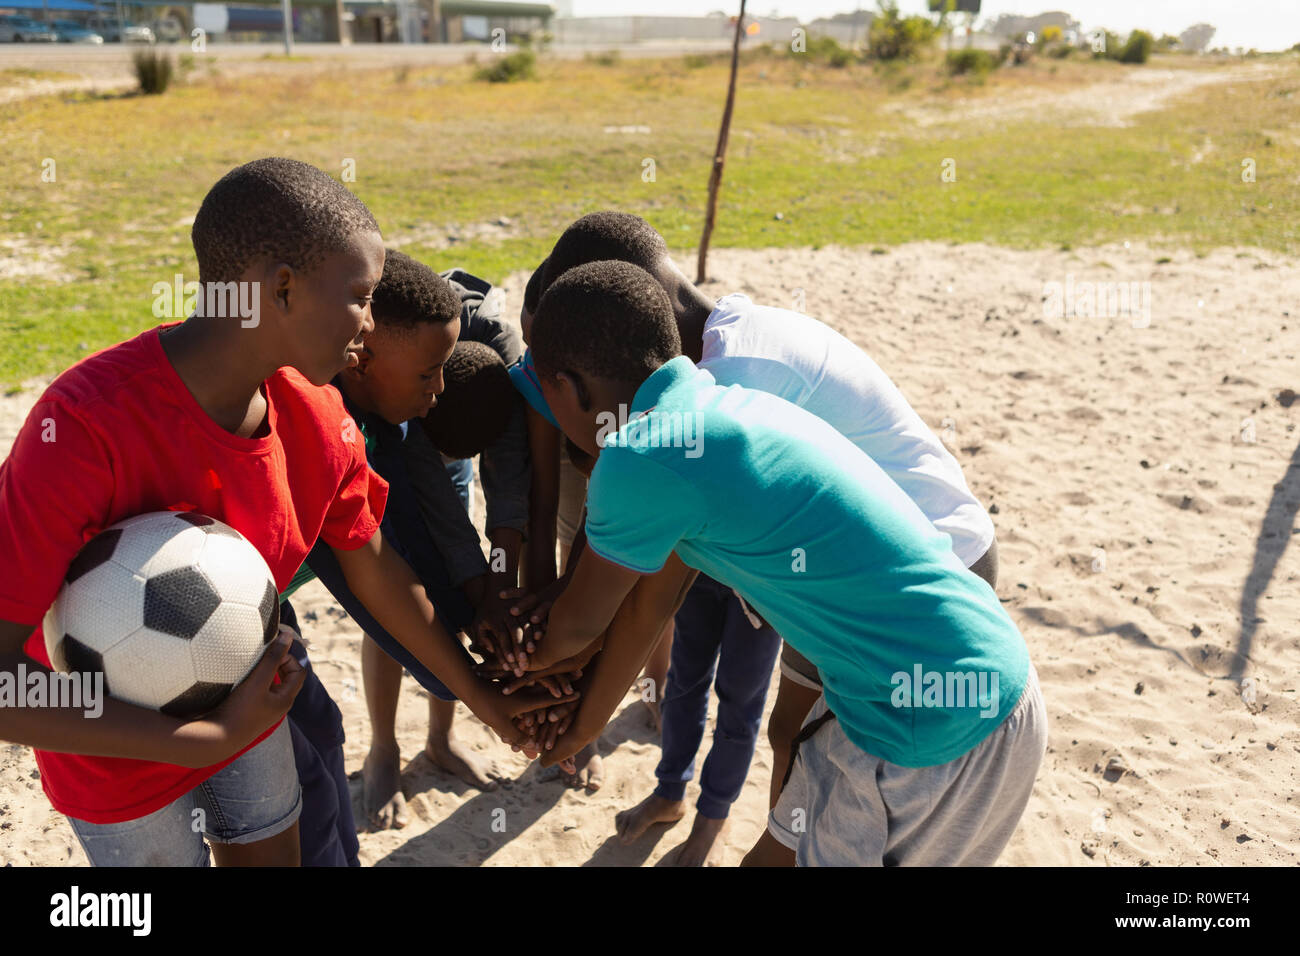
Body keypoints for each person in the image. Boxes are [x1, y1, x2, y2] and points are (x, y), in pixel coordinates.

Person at [0, 158, 557, 865]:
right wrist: (205, 738)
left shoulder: (318, 415)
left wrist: (484, 698)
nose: (370, 324)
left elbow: (378, 571)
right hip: (114, 764)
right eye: (360, 296)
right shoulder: (81, 429)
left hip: (252, 706)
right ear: (282, 288)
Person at [521, 260, 1047, 866]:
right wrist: (580, 728)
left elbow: (577, 629)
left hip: (937, 728)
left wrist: (512, 687)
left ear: (573, 387)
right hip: (938, 687)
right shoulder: (720, 406)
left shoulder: (638, 456)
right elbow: (647, 607)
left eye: (543, 391)